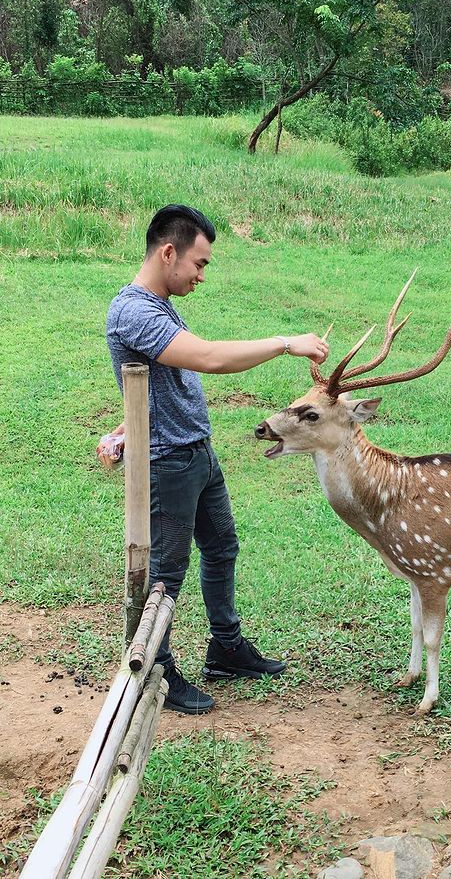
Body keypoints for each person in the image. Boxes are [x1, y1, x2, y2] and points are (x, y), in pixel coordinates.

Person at [103, 204, 329, 714]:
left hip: (197, 454)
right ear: (168, 253)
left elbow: (158, 382)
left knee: (222, 545)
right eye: (199, 263)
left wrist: (126, 424)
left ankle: (226, 649)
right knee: (165, 572)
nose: (201, 275)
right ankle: (154, 668)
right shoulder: (134, 311)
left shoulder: (157, 304)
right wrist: (286, 343)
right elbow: (206, 357)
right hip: (168, 462)